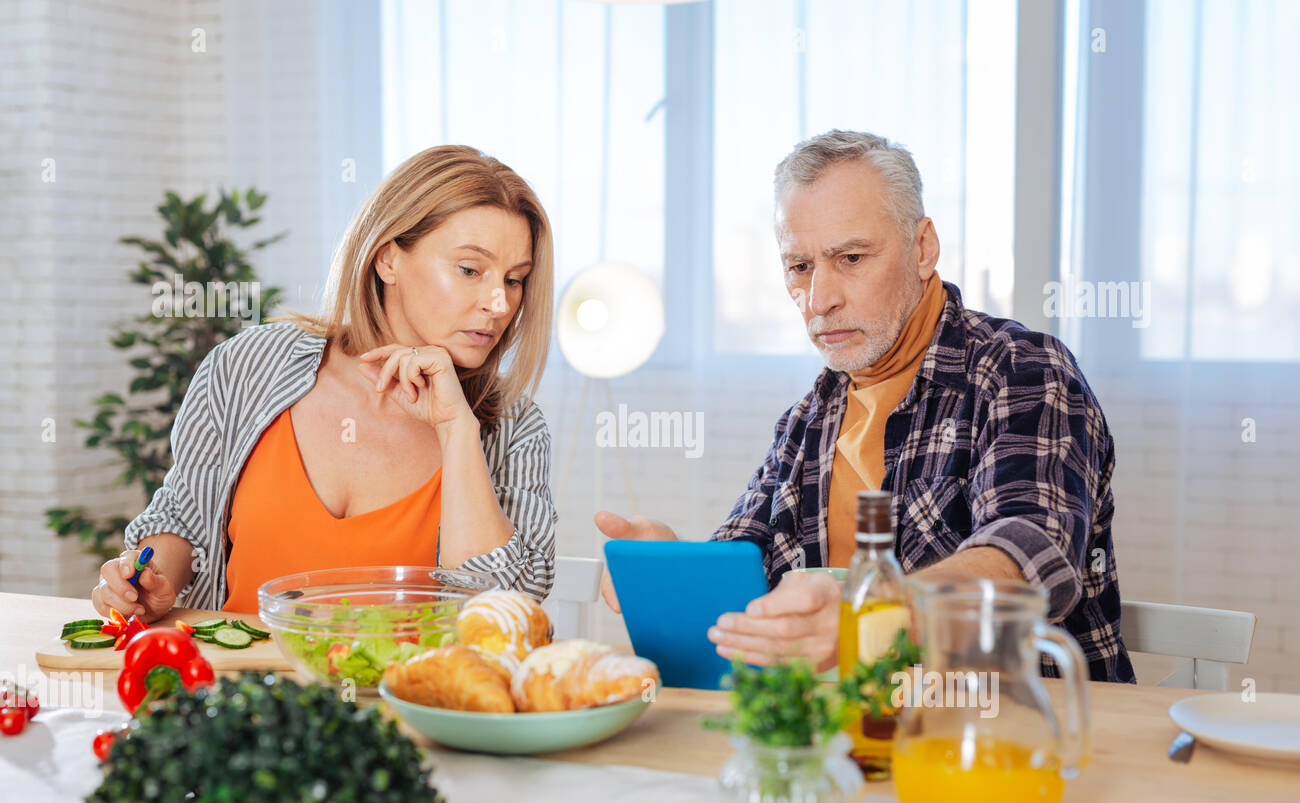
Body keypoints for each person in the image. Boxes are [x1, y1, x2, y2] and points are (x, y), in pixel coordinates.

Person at [597, 129, 1134, 683]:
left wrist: (870, 618)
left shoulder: (1024, 369)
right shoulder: (811, 417)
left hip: (1022, 736)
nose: (819, 300)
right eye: (800, 267)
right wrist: (674, 571)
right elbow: (747, 568)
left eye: (850, 257)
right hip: (862, 739)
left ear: (923, 248)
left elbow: (1028, 558)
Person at [93, 145, 558, 620]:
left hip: (399, 695)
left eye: (515, 279)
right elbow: (184, 519)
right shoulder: (249, 367)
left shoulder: (513, 427)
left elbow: (504, 611)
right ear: (387, 260)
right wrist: (149, 584)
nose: (500, 304)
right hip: (239, 688)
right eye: (469, 270)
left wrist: (457, 428)